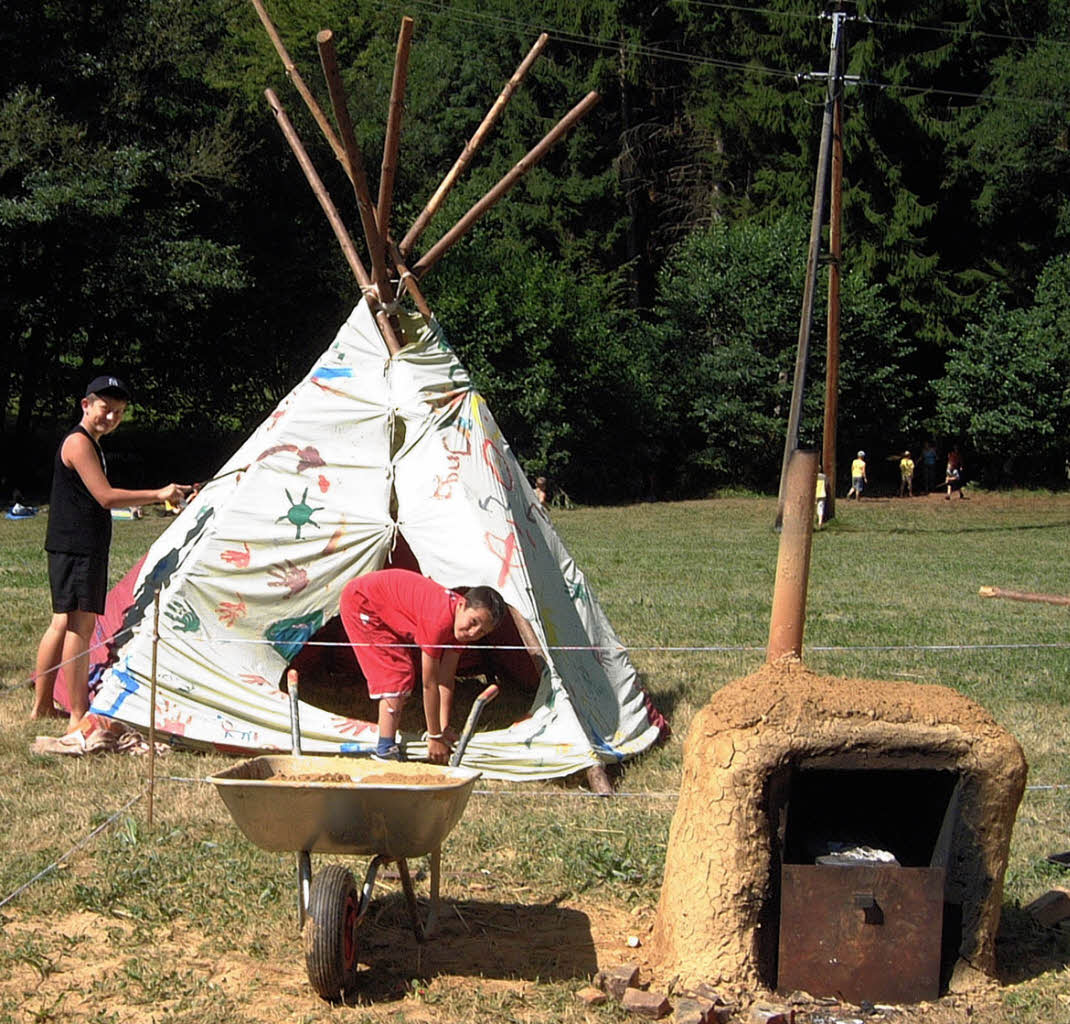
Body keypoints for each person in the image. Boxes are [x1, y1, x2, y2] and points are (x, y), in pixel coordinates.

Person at [32, 376, 191, 727]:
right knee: (80, 628)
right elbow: (105, 496)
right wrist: (159, 493)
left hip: (71, 546)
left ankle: (42, 705)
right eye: (105, 408)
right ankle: (77, 714)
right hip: (79, 548)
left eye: (118, 412)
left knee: (61, 623)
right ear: (86, 405)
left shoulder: (89, 442)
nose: (111, 417)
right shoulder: (79, 442)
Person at [339, 568, 506, 763]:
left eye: (482, 632)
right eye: (473, 622)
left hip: (383, 605)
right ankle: (385, 749)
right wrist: (434, 737)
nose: (473, 632)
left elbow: (446, 678)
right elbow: (430, 683)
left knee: (402, 671)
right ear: (461, 605)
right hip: (362, 601)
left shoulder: (460, 627)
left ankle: (390, 743)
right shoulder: (439, 620)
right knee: (398, 674)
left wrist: (442, 729)